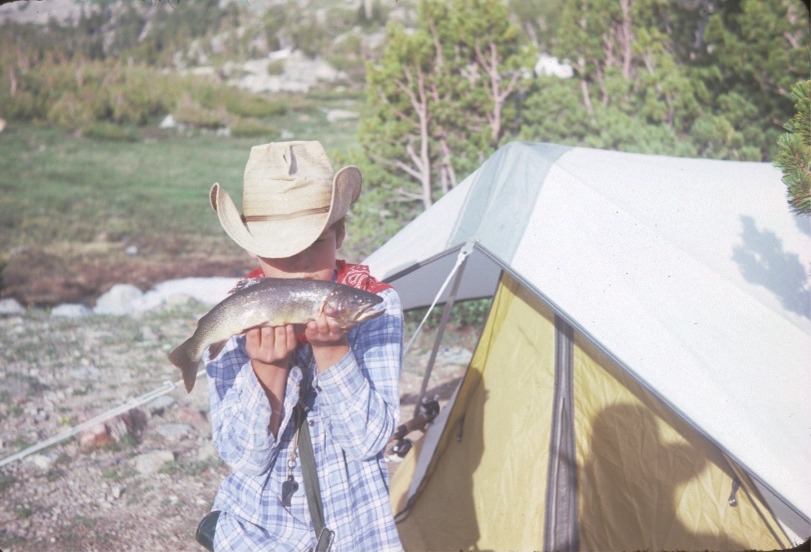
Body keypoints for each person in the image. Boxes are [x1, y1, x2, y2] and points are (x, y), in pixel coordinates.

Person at [202, 141, 404, 551]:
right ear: (253, 249)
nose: (297, 265)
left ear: (340, 234)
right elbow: (244, 459)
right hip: (260, 532)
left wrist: (333, 352)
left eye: (312, 244)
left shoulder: (377, 305)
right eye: (280, 250)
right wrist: (268, 371)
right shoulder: (235, 315)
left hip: (355, 529)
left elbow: (368, 442)